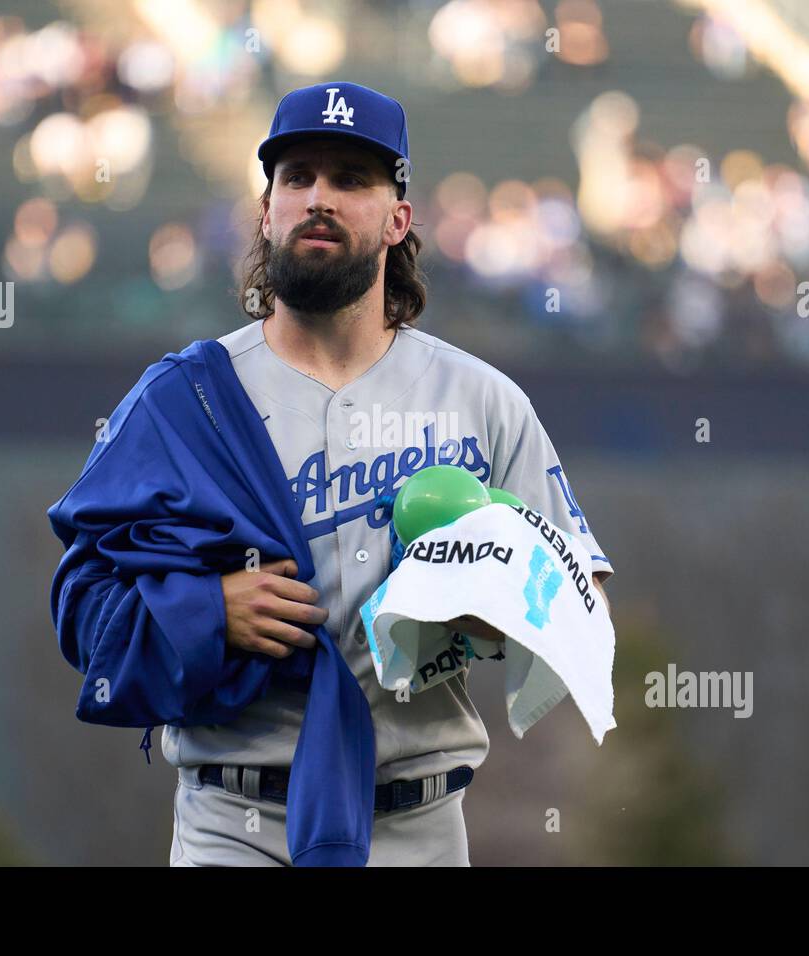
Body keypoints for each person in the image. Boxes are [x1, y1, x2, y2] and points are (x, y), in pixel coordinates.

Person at [48, 81, 612, 866]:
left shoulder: (481, 401)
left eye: (351, 180)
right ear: (268, 207)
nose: (321, 198)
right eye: (298, 176)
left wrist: (492, 606)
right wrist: (205, 611)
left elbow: (578, 589)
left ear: (397, 218)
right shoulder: (184, 401)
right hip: (231, 822)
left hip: (418, 825)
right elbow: (82, 608)